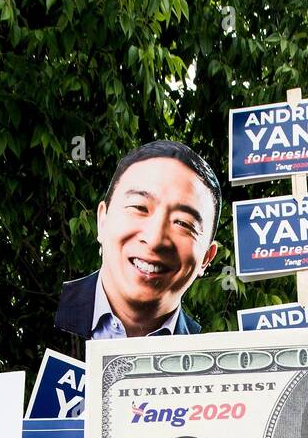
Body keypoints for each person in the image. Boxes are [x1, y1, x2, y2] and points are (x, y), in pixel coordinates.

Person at [51, 139, 219, 357]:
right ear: (102, 220)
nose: (155, 239)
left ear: (206, 258)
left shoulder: (209, 360)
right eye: (139, 207)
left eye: (183, 223)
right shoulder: (35, 312)